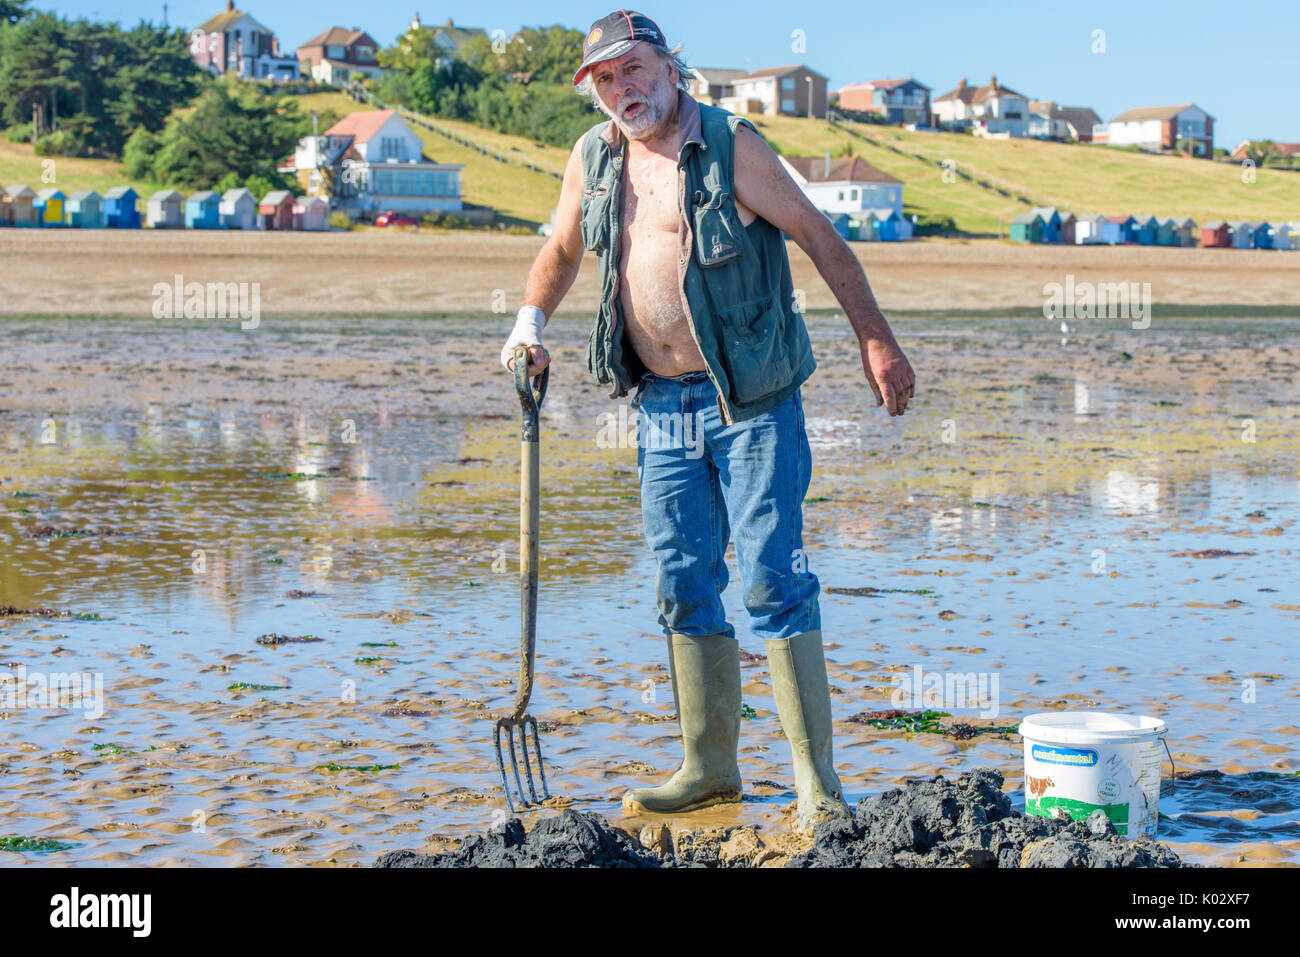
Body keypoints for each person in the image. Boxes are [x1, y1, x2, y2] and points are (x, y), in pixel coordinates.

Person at [500, 9, 915, 832]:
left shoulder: (731, 145)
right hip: (661, 405)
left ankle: (815, 781)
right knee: (683, 581)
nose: (624, 89)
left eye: (636, 70)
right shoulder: (594, 158)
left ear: (670, 68)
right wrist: (529, 322)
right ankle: (710, 769)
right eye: (607, 79)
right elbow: (560, 249)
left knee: (771, 576)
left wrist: (877, 340)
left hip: (751, 402)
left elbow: (820, 235)